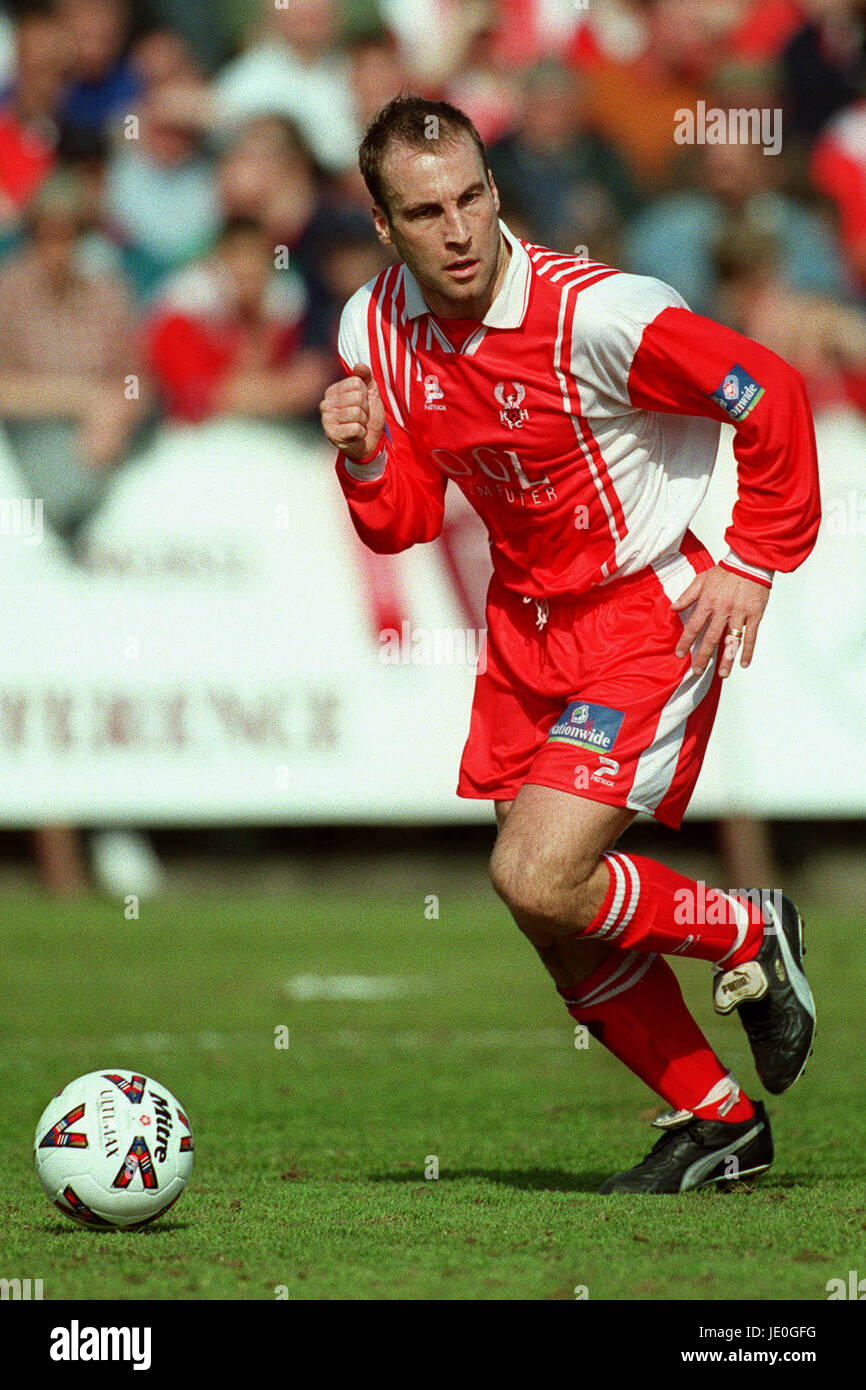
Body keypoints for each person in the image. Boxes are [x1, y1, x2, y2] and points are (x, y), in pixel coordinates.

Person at [319, 95, 820, 1194]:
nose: (454, 231)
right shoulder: (372, 330)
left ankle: (745, 925)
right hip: (524, 628)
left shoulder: (599, 315)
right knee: (545, 909)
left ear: (495, 190)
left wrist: (749, 559)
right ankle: (713, 1115)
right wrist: (361, 457)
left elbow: (769, 392)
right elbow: (404, 518)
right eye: (423, 212)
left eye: (469, 200)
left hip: (643, 613)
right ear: (380, 221)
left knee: (539, 873)